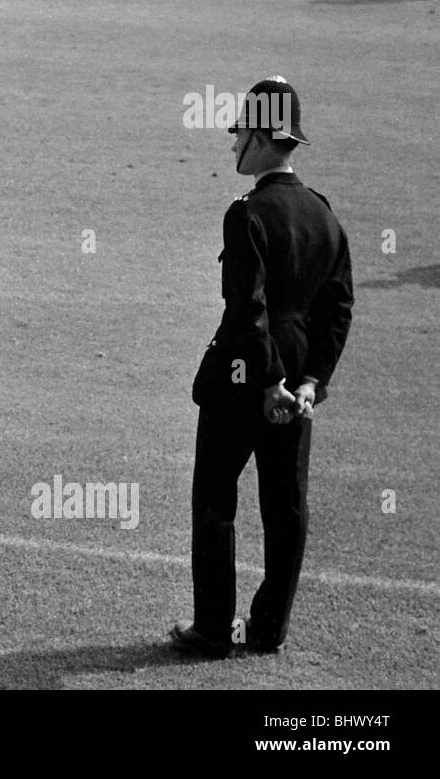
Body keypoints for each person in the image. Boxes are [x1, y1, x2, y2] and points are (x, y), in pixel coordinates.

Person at [170, 77, 353, 659]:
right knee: (285, 505)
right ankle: (269, 628)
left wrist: (269, 380)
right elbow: (337, 306)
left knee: (216, 500)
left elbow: (246, 309)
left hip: (242, 379)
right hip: (296, 379)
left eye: (239, 134)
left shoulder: (245, 212)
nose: (233, 147)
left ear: (261, 136)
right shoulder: (323, 214)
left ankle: (212, 630)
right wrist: (308, 381)